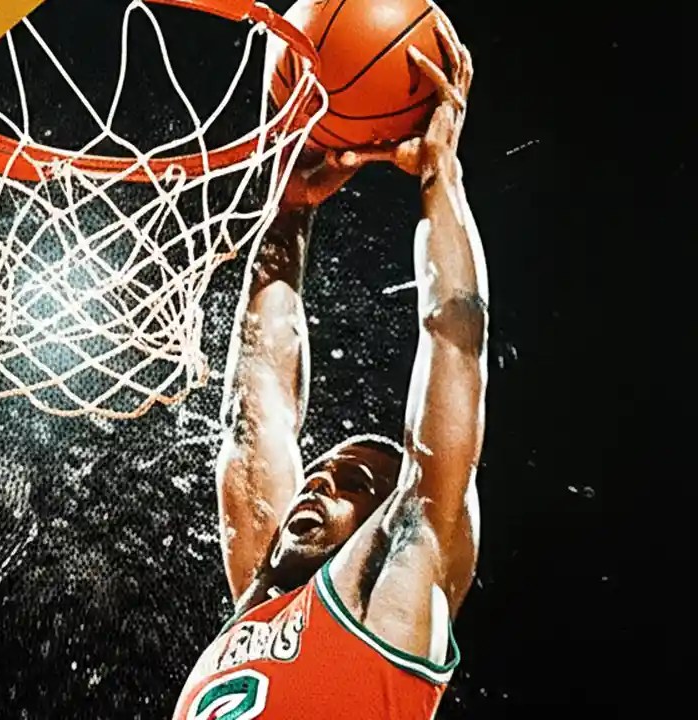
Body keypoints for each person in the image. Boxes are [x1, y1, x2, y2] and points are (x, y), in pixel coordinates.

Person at [172, 19, 486, 720]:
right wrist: (289, 206)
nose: (317, 479)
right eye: (324, 471)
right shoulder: (255, 608)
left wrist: (440, 176)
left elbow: (455, 338)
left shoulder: (402, 583)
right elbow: (259, 408)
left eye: (354, 484)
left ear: (384, 518)